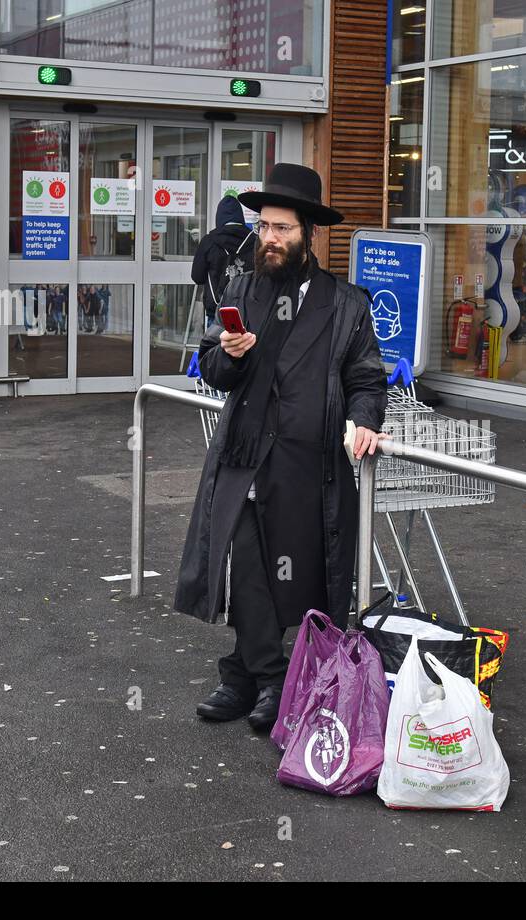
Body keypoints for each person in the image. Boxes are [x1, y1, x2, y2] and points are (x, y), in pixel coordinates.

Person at [174, 163, 388, 732]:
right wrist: (230, 353)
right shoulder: (241, 289)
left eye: (283, 229)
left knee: (284, 573)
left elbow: (367, 378)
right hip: (244, 453)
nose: (270, 238)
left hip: (306, 463)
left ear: (307, 234)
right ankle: (267, 679)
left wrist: (363, 420)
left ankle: (245, 676)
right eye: (265, 227)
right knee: (244, 560)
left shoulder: (346, 304)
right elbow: (213, 370)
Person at [192, 195, 257, 328]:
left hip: (217, 310)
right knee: (245, 347)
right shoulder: (255, 241)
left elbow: (197, 277)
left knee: (215, 346)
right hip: (248, 310)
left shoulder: (209, 241)